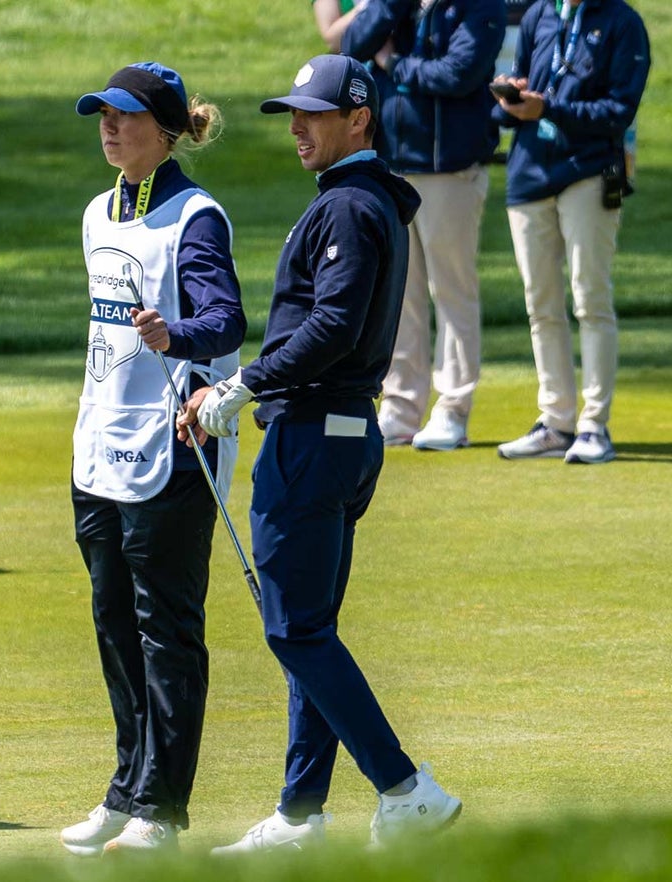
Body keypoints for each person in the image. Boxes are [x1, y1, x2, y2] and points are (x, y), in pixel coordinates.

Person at [178, 54, 461, 853]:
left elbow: (331, 327)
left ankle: (405, 787)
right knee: (310, 626)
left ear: (359, 119)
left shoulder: (347, 207)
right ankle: (301, 815)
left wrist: (239, 389)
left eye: (314, 114)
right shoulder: (364, 199)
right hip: (341, 435)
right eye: (292, 114)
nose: (297, 127)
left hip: (312, 438)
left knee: (296, 631)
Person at [60, 61, 247, 855]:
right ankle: (128, 787)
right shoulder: (96, 213)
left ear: (165, 131)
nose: (109, 126)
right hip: (97, 445)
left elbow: (227, 321)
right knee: (113, 623)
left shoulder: (194, 216)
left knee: (165, 629)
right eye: (102, 114)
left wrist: (180, 336)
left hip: (172, 447)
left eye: (125, 116)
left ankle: (162, 811)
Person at [491, 0, 650, 464]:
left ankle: (593, 426)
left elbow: (618, 111)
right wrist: (513, 98)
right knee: (541, 303)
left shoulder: (623, 23)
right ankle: (556, 421)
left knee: (589, 298)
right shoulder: (541, 14)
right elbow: (522, 84)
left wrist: (548, 108)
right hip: (528, 173)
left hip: (587, 171)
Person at [343, 0, 506, 450]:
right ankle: (400, 406)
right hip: (392, 166)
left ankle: (453, 408)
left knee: (451, 290)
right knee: (402, 293)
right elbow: (353, 47)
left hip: (450, 169)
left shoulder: (478, 6)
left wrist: (394, 63)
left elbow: (458, 75)